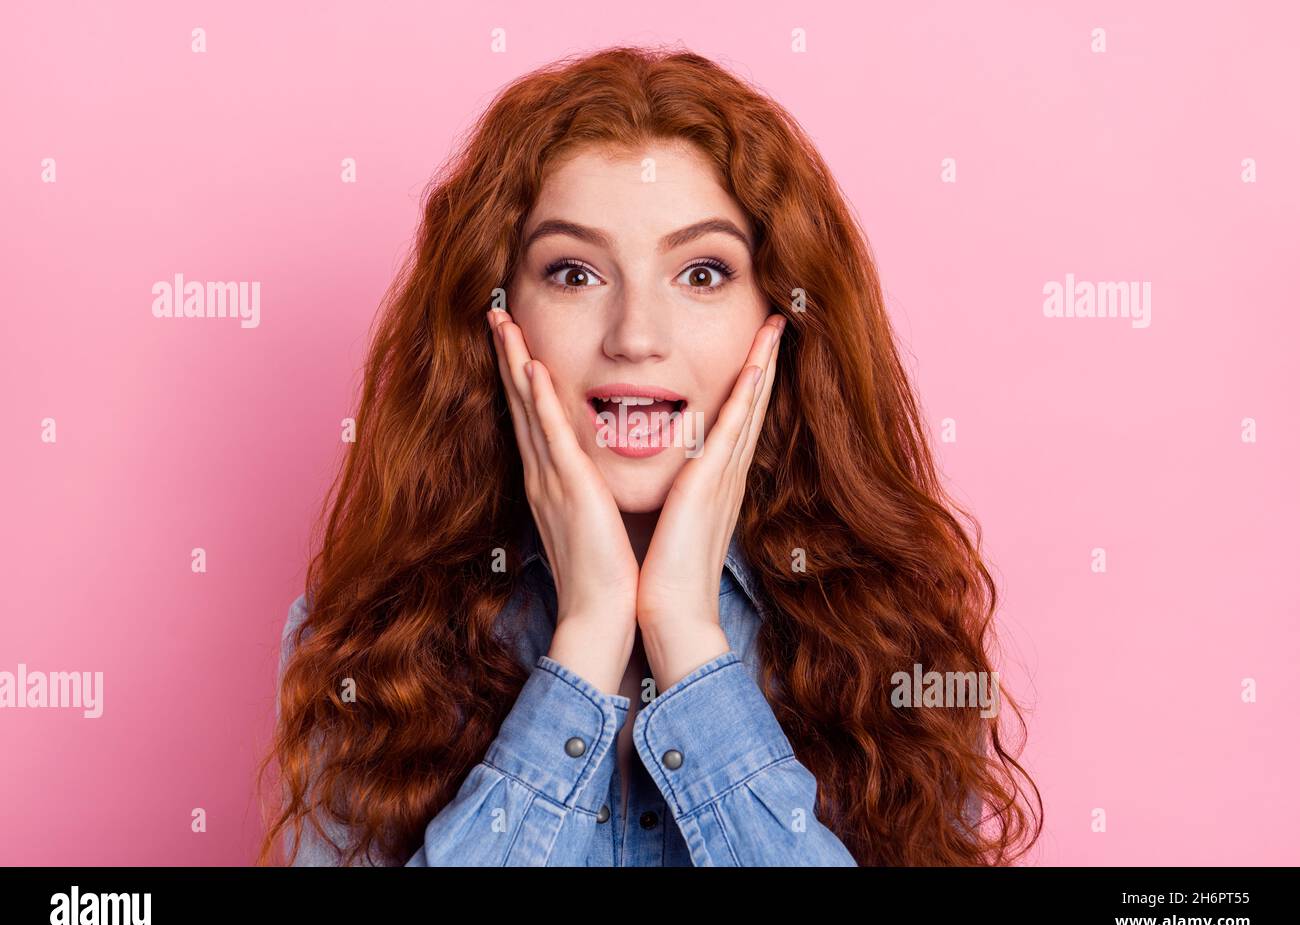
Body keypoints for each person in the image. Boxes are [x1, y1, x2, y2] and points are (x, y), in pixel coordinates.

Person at [257, 45, 1042, 867]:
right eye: (574, 273)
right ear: (497, 317)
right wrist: (588, 639)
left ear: (779, 316)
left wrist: (688, 637)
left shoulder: (894, 633)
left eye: (701, 273)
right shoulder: (360, 648)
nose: (635, 337)